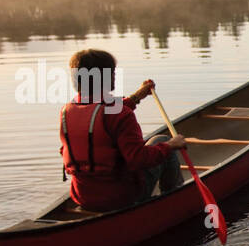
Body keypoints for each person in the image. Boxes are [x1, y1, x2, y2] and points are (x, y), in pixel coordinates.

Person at [59, 49, 186, 212]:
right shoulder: (120, 114)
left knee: (158, 144)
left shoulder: (67, 111)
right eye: (112, 72)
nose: (115, 75)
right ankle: (174, 201)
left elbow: (102, 112)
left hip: (83, 197)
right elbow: (138, 159)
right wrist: (171, 146)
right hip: (122, 197)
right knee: (161, 141)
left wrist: (137, 97)